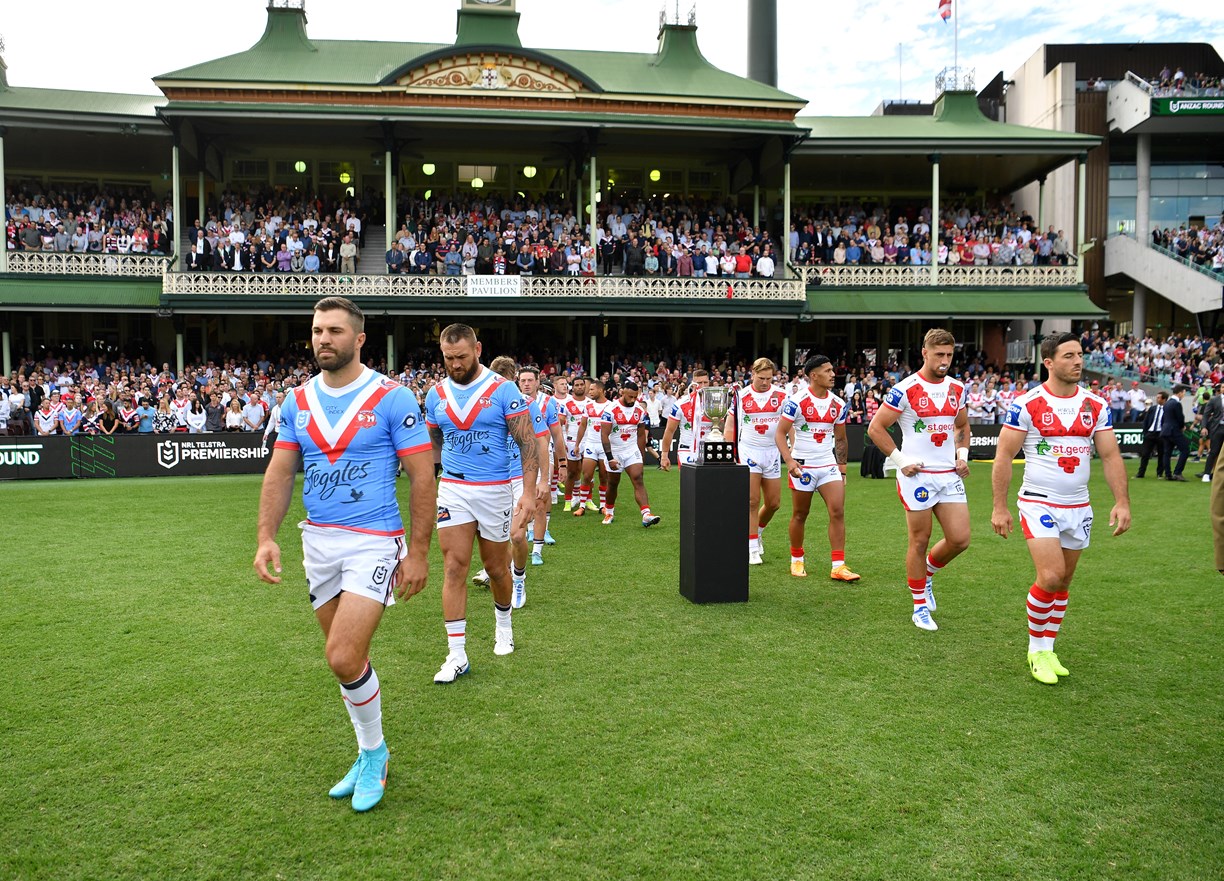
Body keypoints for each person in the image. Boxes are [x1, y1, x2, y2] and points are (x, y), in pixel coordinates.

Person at [253, 296, 435, 812]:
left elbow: (423, 477)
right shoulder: (297, 401)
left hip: (373, 541)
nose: (323, 339)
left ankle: (375, 755)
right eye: (317, 330)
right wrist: (266, 535)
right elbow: (281, 472)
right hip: (318, 542)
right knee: (347, 662)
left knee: (342, 655)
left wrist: (419, 553)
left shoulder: (393, 398)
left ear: (359, 339)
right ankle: (366, 751)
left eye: (334, 331)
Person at [991, 332, 1131, 685]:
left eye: (1080, 354)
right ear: (1049, 362)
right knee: (1051, 575)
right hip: (1038, 500)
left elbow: (1111, 456)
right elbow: (1004, 455)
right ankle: (1036, 649)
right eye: (1069, 356)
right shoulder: (1027, 404)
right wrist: (999, 507)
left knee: (1064, 580)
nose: (1078, 361)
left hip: (1079, 505)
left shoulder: (1095, 405)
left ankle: (1049, 647)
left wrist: (1122, 501)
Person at [424, 323, 539, 684]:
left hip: (494, 490)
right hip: (453, 489)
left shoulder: (503, 390)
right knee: (454, 567)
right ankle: (456, 654)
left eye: (461, 356)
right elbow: (434, 441)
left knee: (496, 569)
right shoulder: (435, 395)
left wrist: (528, 493)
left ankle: (503, 626)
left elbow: (527, 443)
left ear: (477, 349)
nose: (455, 364)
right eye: (448, 358)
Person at [867, 328, 971, 632]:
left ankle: (927, 574)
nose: (944, 360)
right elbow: (875, 427)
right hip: (918, 476)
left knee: (960, 539)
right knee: (920, 540)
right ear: (925, 353)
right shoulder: (905, 389)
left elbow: (962, 426)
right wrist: (901, 462)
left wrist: (962, 456)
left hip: (949, 474)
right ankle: (919, 607)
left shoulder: (957, 388)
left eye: (949, 355)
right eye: (939, 354)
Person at [776, 355, 859, 581]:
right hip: (802, 466)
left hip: (828, 465)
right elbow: (780, 434)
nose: (833, 374)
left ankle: (838, 566)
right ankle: (796, 559)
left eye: (832, 370)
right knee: (800, 514)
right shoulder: (796, 401)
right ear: (814, 375)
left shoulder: (838, 403)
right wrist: (789, 461)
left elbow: (840, 439)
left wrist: (842, 469)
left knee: (837, 511)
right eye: (827, 371)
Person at [485, 356, 550, 610]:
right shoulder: (484, 404)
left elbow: (542, 440)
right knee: (495, 537)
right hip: (492, 478)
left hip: (521, 477)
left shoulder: (526, 404)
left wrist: (544, 480)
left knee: (517, 534)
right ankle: (499, 571)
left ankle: (519, 579)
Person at [725, 358, 786, 565]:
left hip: (772, 452)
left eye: (769, 378)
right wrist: (730, 454)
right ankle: (751, 547)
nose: (765, 382)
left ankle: (757, 531)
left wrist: (792, 450)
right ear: (753, 374)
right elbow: (730, 425)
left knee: (774, 503)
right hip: (748, 451)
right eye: (761, 378)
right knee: (751, 501)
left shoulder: (781, 396)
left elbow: (790, 426)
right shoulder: (741, 396)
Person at [518, 366, 565, 562]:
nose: (527, 384)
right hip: (519, 457)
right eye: (523, 380)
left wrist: (563, 462)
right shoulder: (512, 401)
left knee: (541, 497)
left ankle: (539, 542)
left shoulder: (548, 402)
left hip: (544, 454)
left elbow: (557, 434)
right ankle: (528, 531)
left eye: (530, 380)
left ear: (538, 382)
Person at [599, 380, 662, 527]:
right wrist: (610, 458)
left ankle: (646, 514)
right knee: (613, 484)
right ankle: (609, 512)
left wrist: (641, 455)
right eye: (630, 397)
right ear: (622, 392)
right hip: (615, 451)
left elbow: (641, 435)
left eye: (635, 397)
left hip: (631, 450)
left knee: (638, 478)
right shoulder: (610, 409)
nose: (633, 400)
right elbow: (604, 435)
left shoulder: (640, 411)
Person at [571, 380, 611, 517]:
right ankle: (582, 506)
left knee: (604, 476)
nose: (589, 392)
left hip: (604, 445)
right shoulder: (588, 406)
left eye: (592, 389)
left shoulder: (611, 406)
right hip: (591, 444)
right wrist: (577, 444)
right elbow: (582, 425)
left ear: (600, 390)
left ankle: (603, 506)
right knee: (587, 475)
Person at [659, 368, 712, 470]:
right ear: (693, 384)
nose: (703, 386)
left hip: (710, 450)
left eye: (705, 382)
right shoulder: (680, 404)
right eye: (699, 383)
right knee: (689, 480)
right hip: (687, 450)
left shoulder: (716, 404)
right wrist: (664, 455)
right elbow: (669, 430)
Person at [556, 375, 589, 512]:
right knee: (572, 472)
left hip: (589, 441)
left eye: (581, 384)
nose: (579, 387)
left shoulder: (590, 403)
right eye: (577, 385)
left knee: (588, 473)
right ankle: (568, 501)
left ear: (585, 386)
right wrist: (562, 441)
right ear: (572, 387)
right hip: (572, 440)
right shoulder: (566, 404)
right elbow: (559, 423)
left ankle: (587, 501)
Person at [1134, 391, 1168, 478]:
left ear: (1164, 399)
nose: (1157, 399)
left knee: (1161, 454)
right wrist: (1145, 432)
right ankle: (1141, 473)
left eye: (1159, 398)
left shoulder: (1167, 409)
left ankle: (1159, 473)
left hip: (1161, 433)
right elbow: (1146, 421)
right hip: (1150, 433)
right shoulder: (1153, 409)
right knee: (1145, 454)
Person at [1160, 385, 1190, 480]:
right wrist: (1182, 427)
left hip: (1166, 430)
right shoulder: (1176, 404)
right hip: (1174, 430)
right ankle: (1177, 472)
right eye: (1184, 393)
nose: (1184, 395)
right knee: (1185, 449)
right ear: (1180, 393)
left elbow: (1163, 418)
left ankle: (1168, 474)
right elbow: (1180, 418)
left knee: (1167, 453)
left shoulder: (1167, 403)